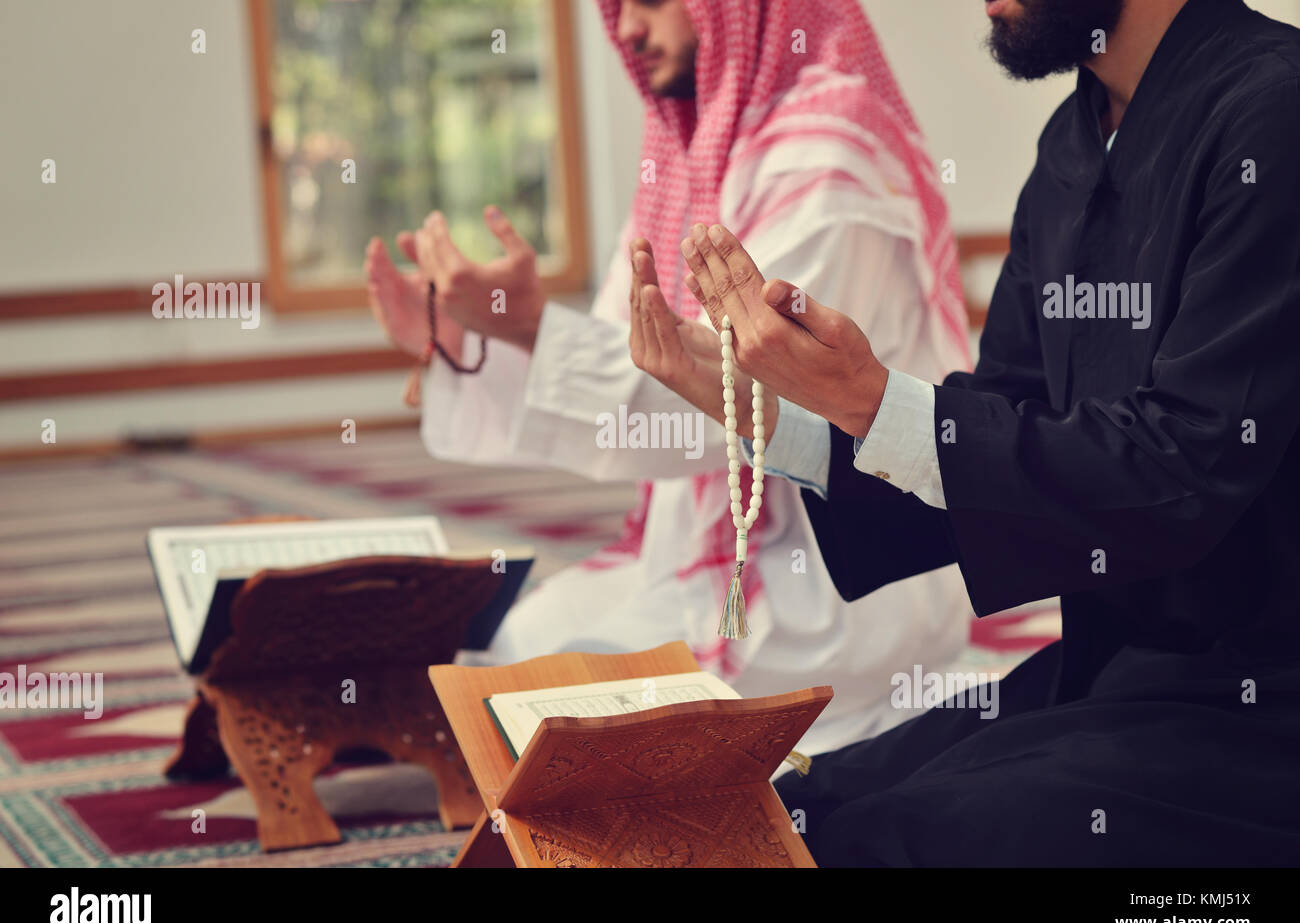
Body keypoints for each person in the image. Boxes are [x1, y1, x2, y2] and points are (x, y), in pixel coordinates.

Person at [632, 0, 1300, 864]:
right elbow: (1005, 430)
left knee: (877, 839)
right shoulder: (1072, 145)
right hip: (1116, 666)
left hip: (1264, 703)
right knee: (788, 801)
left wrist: (873, 401)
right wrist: (765, 411)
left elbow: (1185, 468)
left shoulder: (1274, 110)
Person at [365, 0, 975, 758]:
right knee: (501, 649)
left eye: (651, 1)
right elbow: (628, 352)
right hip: (701, 556)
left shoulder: (828, 155)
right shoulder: (694, 148)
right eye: (616, 8)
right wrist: (463, 338)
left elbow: (727, 399)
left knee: (549, 705)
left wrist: (524, 326)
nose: (626, 30)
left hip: (832, 580)